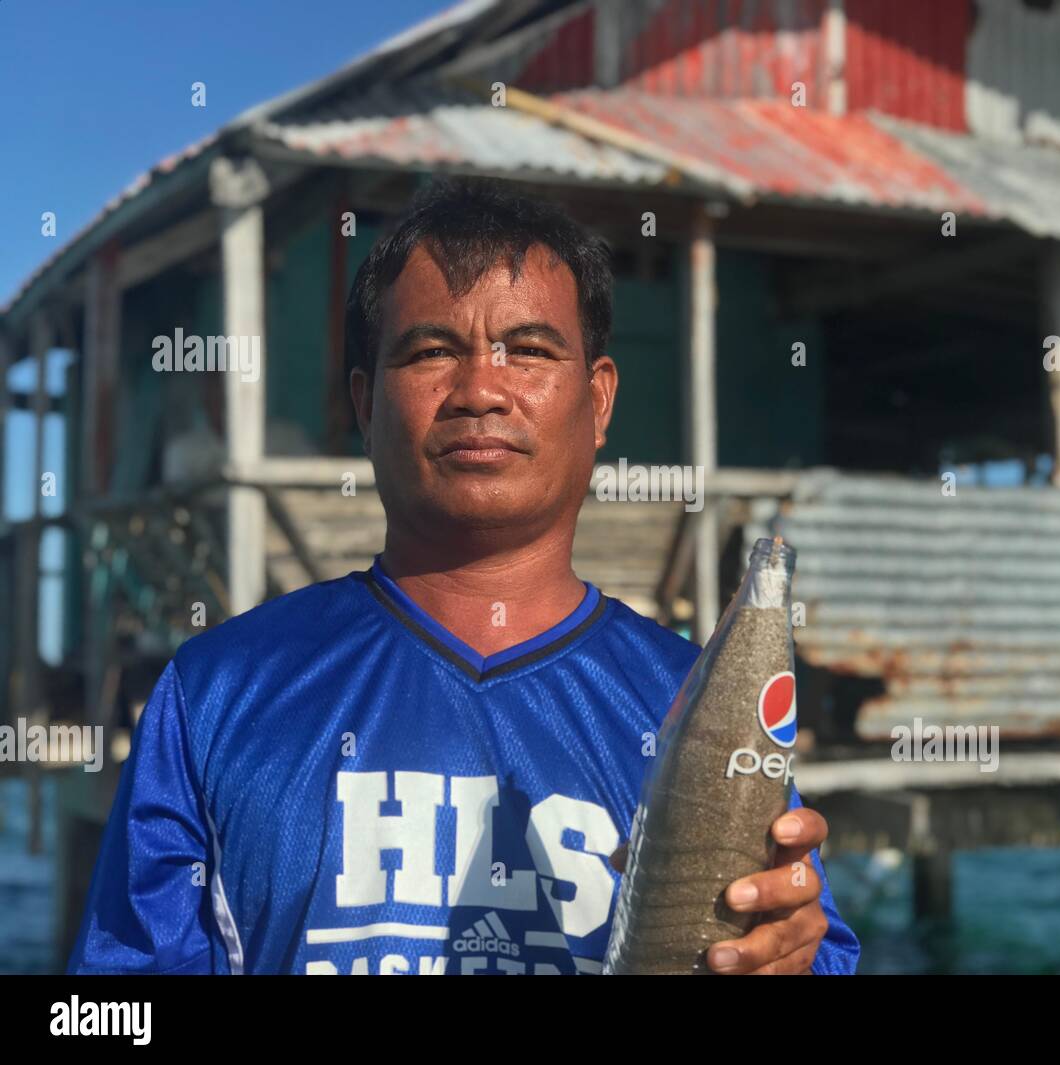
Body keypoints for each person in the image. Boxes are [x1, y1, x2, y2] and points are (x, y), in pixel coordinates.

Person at [67, 176, 861, 975]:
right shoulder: (215, 695)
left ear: (599, 399)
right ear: (364, 404)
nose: (481, 389)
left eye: (531, 349)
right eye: (433, 350)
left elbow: (795, 941)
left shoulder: (703, 716)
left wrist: (789, 959)